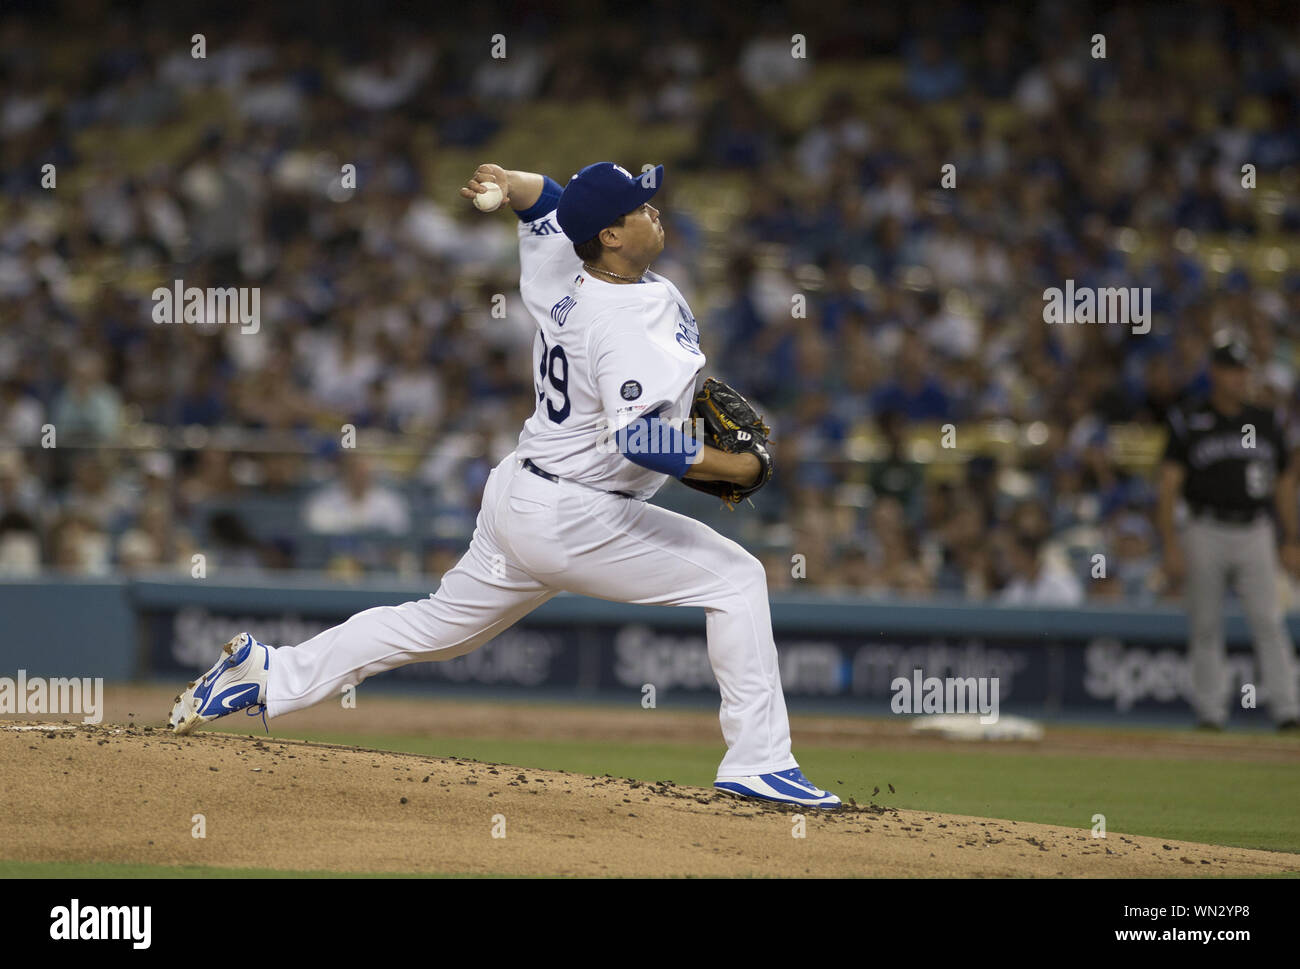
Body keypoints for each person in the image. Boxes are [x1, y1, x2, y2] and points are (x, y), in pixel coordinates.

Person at [167, 161, 841, 808]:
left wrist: (504, 182)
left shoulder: (565, 269)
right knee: (735, 578)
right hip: (579, 514)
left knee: (433, 624)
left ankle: (267, 672)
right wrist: (739, 468)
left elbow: (545, 199)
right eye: (637, 207)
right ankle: (760, 762)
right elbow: (636, 438)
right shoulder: (626, 316)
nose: (652, 210)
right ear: (609, 235)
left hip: (523, 493)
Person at [1158, 333, 1300, 731]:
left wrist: (1291, 537)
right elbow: (1168, 484)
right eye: (1232, 370)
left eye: (1244, 370)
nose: (1240, 378)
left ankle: (1288, 711)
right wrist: (1170, 542)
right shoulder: (1190, 418)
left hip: (1255, 528)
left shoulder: (1266, 420)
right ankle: (1210, 714)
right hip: (1204, 527)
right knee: (1204, 623)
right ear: (1215, 373)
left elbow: (1285, 483)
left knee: (1268, 621)